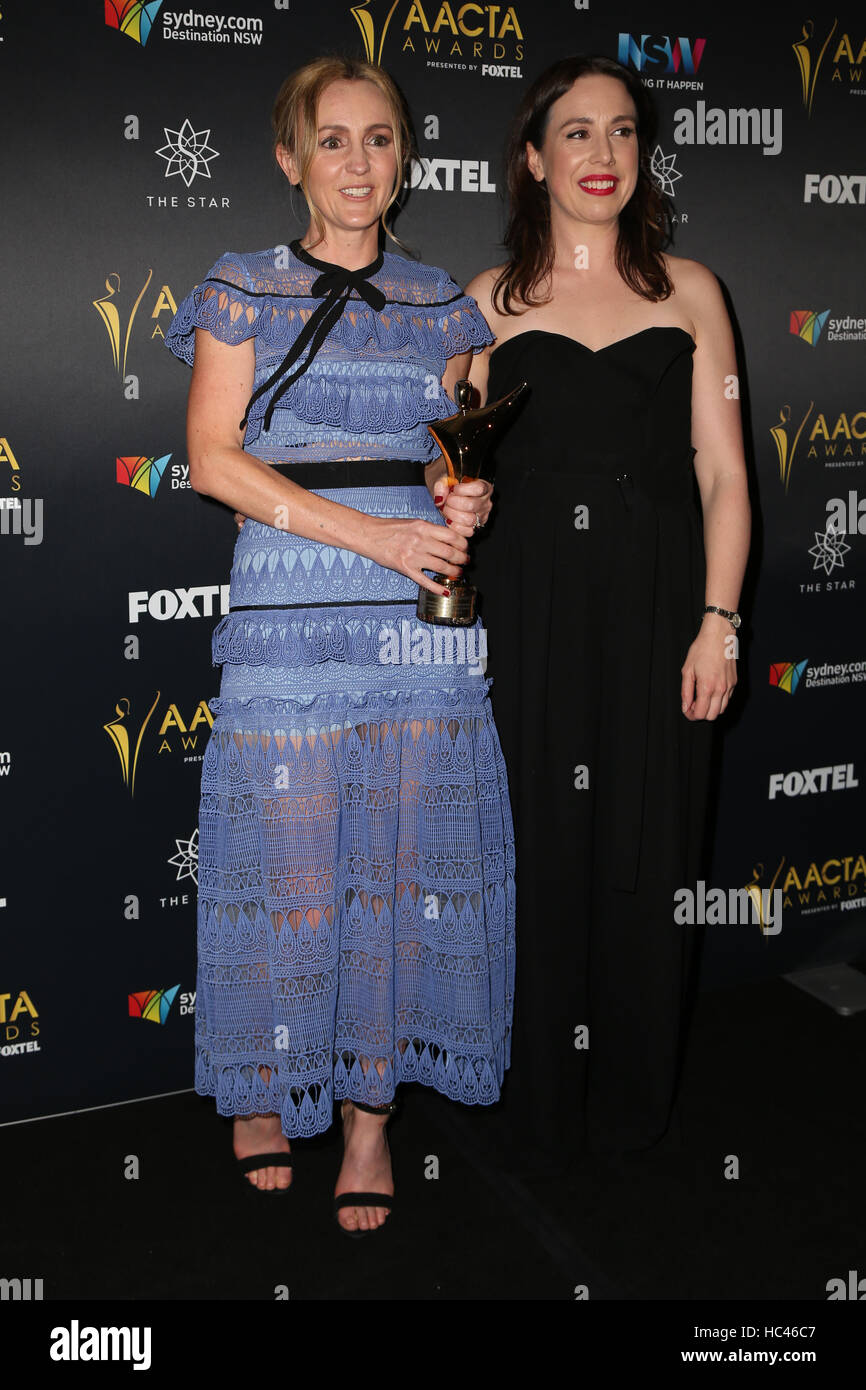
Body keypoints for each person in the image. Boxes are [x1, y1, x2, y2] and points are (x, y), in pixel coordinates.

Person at [164, 56, 515, 1234]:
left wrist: (457, 501)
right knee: (294, 870)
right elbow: (214, 459)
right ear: (288, 158)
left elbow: (448, 453)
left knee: (401, 868)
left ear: (402, 159)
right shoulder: (239, 285)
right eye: (332, 141)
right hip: (291, 601)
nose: (357, 162)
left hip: (412, 613)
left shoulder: (440, 302)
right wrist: (370, 531)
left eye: (378, 140)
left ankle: (368, 1116)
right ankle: (264, 1086)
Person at [464, 54, 750, 1177]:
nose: (600, 154)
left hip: (656, 608)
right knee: (533, 845)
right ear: (531, 158)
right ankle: (533, 1101)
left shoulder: (690, 290)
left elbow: (724, 474)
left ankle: (630, 1100)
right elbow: (457, 474)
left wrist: (716, 619)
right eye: (573, 133)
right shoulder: (484, 302)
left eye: (621, 131)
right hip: (525, 609)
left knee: (648, 842)